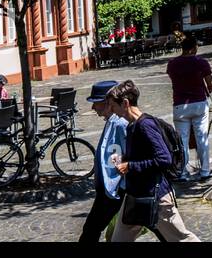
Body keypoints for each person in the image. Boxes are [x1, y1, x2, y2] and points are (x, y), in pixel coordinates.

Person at [110, 80, 199, 242]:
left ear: (125, 103)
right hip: (135, 195)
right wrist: (124, 161)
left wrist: (130, 165)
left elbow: (164, 158)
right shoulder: (132, 126)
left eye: (113, 106)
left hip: (156, 196)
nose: (112, 111)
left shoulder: (146, 125)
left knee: (182, 239)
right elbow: (143, 155)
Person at [78, 80, 127, 243]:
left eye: (96, 103)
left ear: (108, 102)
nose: (93, 108)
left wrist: (121, 185)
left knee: (91, 230)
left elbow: (129, 154)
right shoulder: (111, 122)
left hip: (115, 190)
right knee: (96, 230)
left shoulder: (120, 123)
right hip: (107, 189)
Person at [165, 37, 212, 181]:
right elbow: (210, 84)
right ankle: (205, 170)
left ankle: (183, 172)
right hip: (199, 102)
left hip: (180, 105)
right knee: (202, 138)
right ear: (194, 48)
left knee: (182, 141)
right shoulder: (201, 63)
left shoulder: (172, 64)